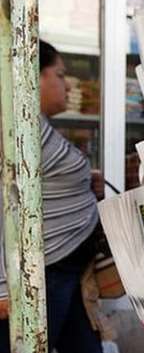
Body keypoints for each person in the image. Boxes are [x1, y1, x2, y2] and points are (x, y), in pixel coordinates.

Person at [0, 40, 104, 353]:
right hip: (42, 276)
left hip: (64, 270)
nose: (66, 84)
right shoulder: (15, 125)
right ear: (35, 74)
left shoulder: (35, 124)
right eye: (59, 75)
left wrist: (84, 184)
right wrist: (4, 288)